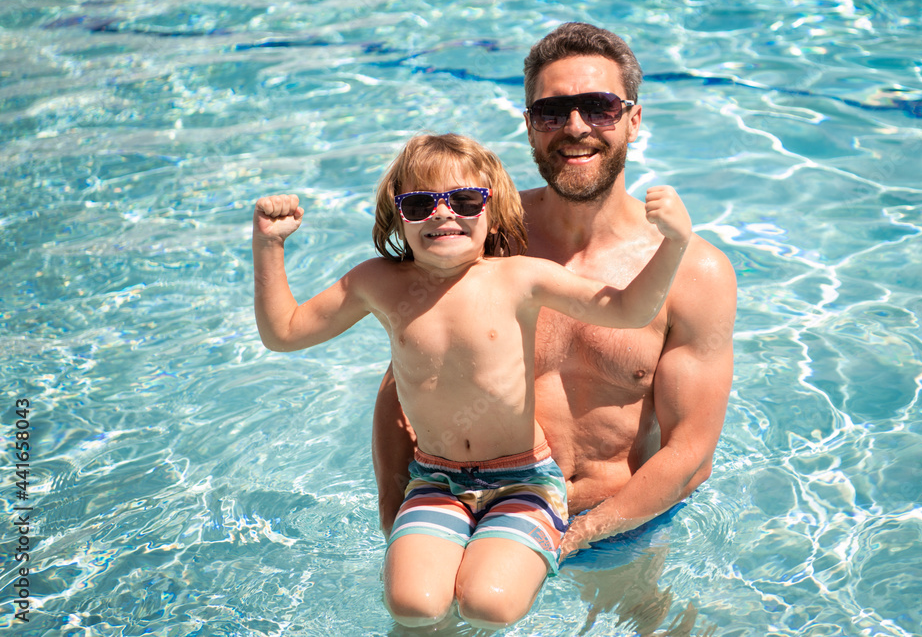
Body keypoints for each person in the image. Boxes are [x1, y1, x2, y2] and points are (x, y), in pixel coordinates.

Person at [253, 132, 692, 630]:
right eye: (419, 204)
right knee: (414, 606)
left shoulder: (520, 278)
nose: (443, 214)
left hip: (523, 480)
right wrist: (269, 244)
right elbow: (284, 334)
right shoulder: (376, 282)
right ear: (397, 216)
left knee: (490, 604)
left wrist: (674, 242)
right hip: (436, 480)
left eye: (464, 200)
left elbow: (628, 309)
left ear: (494, 211)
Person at [372, 23, 736, 573]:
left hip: (619, 525)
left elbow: (691, 455)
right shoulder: (479, 233)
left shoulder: (691, 271)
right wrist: (394, 514)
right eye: (551, 112)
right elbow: (403, 379)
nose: (575, 128)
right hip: (472, 513)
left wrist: (576, 538)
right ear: (529, 127)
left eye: (599, 107)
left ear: (633, 120)